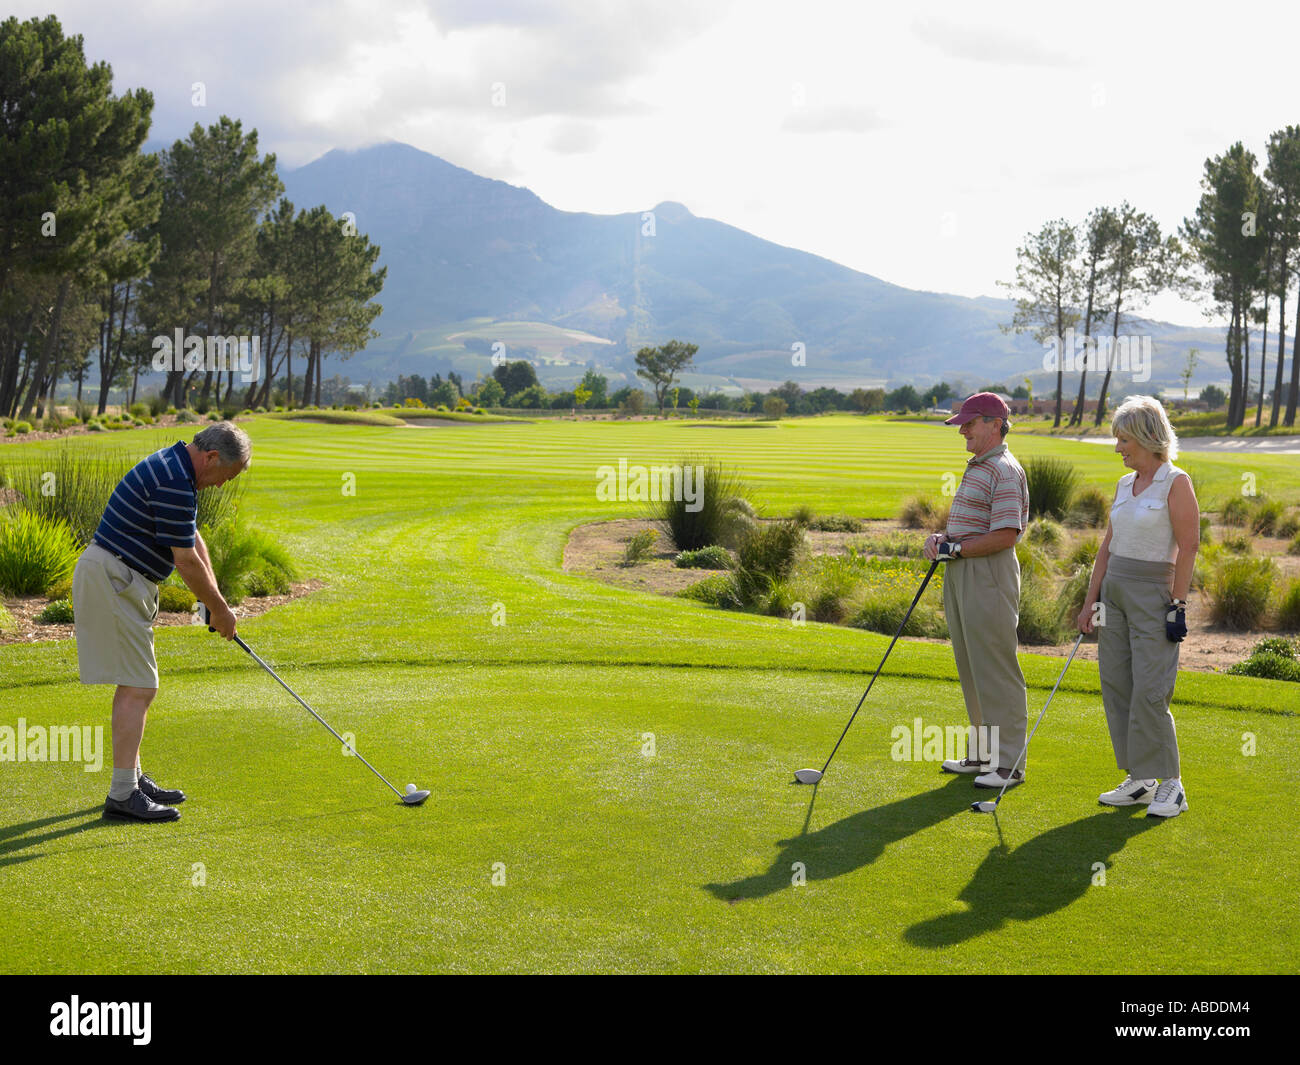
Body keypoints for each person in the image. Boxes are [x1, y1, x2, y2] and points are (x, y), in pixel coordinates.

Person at [72, 422, 250, 823]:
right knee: (139, 686)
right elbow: (184, 561)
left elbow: (191, 539)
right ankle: (122, 794)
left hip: (122, 579)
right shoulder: (173, 478)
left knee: (138, 684)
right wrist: (220, 611)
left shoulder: (178, 470)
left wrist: (212, 600)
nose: (223, 485)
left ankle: (131, 778)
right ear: (211, 458)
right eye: (228, 475)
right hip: (114, 579)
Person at [1077, 396, 1198, 819]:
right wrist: (1090, 601)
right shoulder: (1124, 486)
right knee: (1118, 684)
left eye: (1123, 439)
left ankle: (1172, 784)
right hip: (1115, 594)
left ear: (1148, 437)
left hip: (1154, 593)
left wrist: (1177, 606)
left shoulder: (1175, 481)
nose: (1117, 448)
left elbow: (1189, 546)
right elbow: (1107, 548)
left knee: (1150, 689)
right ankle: (1140, 778)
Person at [926, 393, 1030, 791]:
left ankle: (1010, 764)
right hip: (963, 570)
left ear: (993, 424)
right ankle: (984, 753)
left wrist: (957, 548)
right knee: (971, 664)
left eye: (969, 424)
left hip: (988, 573)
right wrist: (942, 539)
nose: (963, 430)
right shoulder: (980, 466)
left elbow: (1006, 536)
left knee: (996, 668)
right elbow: (971, 528)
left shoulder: (1004, 469)